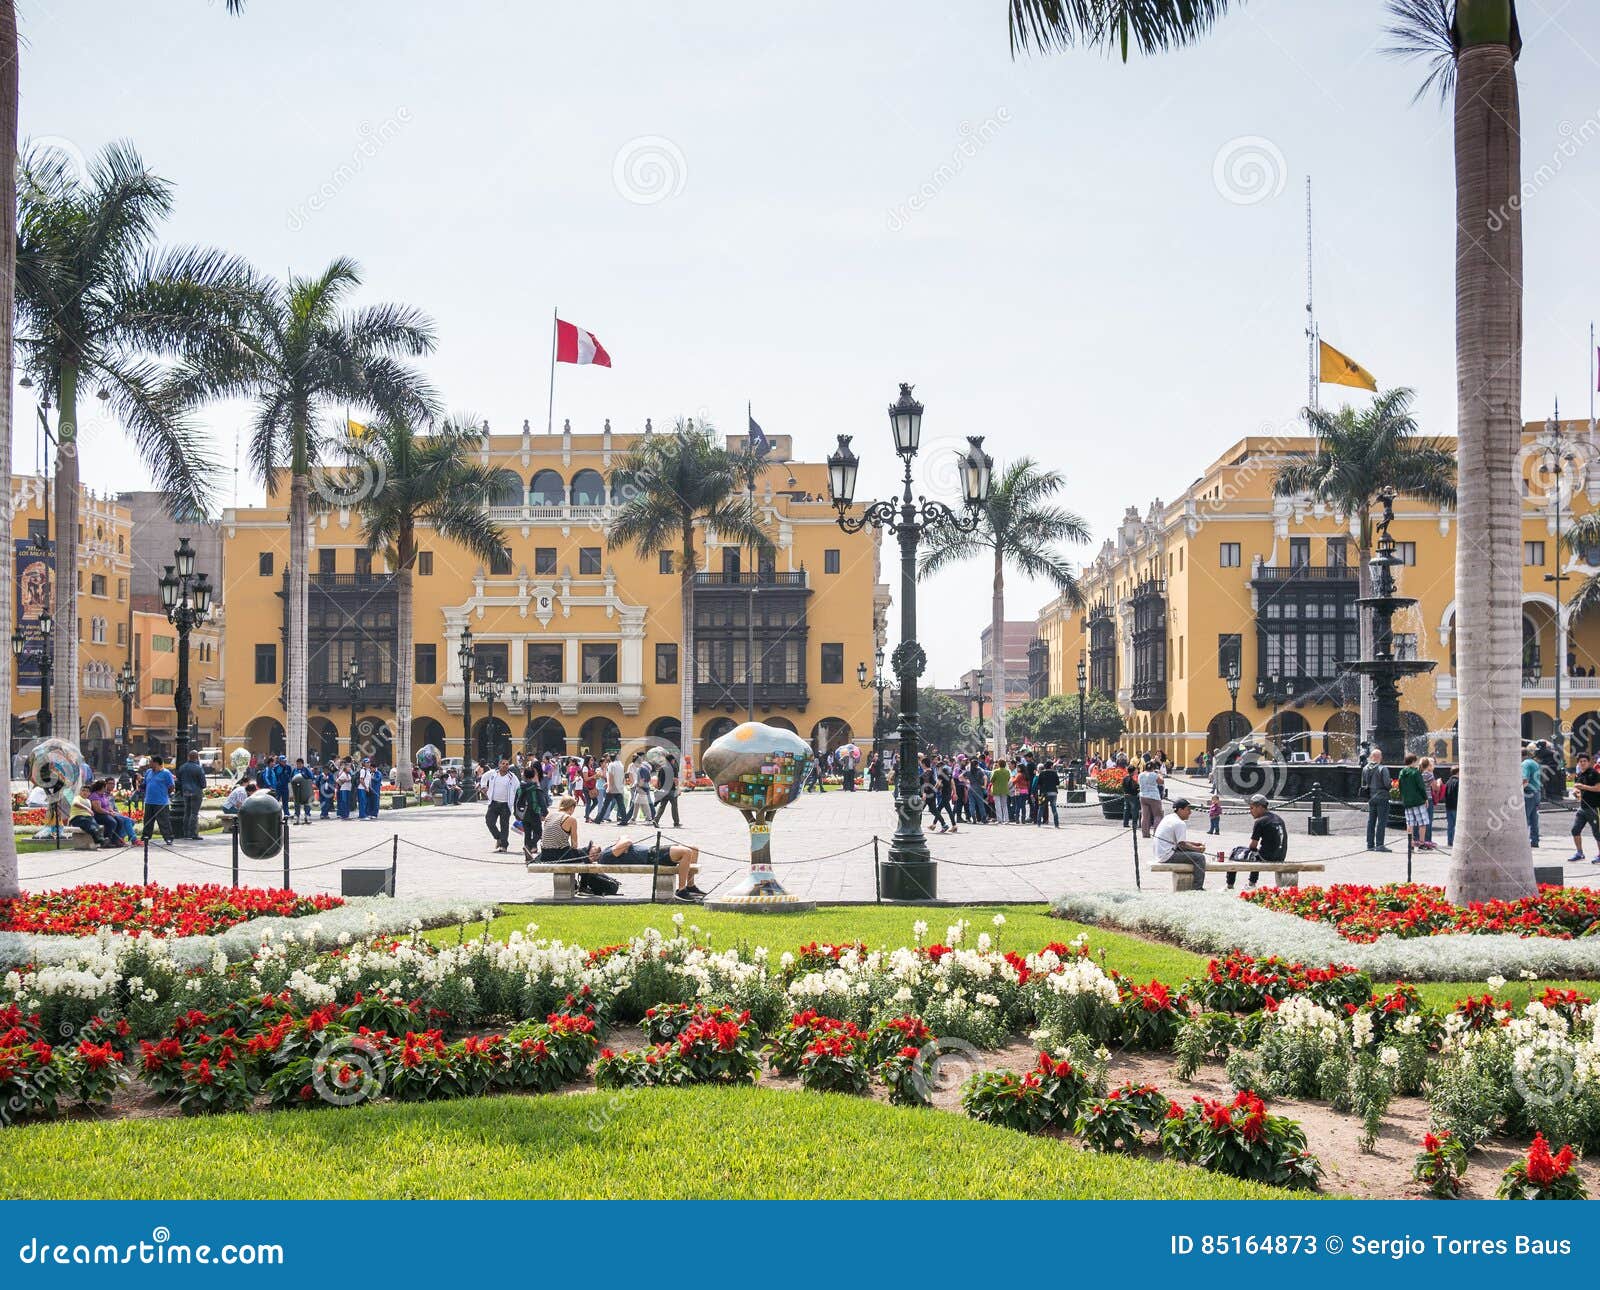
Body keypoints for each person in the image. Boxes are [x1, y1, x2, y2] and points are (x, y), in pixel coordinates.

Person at [584, 837, 705, 903]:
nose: (594, 846)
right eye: (591, 848)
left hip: (652, 852)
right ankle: (681, 890)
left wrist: (622, 844)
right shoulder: (605, 855)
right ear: (591, 856)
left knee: (694, 849)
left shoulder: (607, 851)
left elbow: (624, 837)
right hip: (651, 856)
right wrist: (623, 844)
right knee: (687, 852)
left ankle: (690, 886)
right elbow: (627, 841)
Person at [1227, 794, 1288, 890]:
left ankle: (1231, 885)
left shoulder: (1260, 821)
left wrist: (1252, 850)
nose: (1250, 811)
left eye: (1252, 808)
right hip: (1281, 856)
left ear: (1259, 807)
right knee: (1256, 854)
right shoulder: (1279, 819)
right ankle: (1251, 883)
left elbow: (1253, 845)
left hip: (1267, 857)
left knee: (1236, 852)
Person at [1153, 798, 1208, 889]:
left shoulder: (1169, 817)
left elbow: (1178, 842)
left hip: (1161, 853)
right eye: (1188, 809)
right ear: (1180, 810)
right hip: (1167, 855)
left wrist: (1195, 844)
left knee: (1195, 854)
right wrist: (1198, 849)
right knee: (1200, 858)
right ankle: (1197, 888)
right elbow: (1181, 845)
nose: (1190, 812)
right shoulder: (1179, 823)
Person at [1567, 752, 1600, 862]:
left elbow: (1598, 788)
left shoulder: (1594, 773)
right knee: (1575, 830)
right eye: (1580, 761)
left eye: (1584, 761)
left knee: (1597, 833)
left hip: (1594, 807)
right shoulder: (1579, 775)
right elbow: (1577, 789)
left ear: (1589, 762)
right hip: (1583, 808)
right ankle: (1579, 853)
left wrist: (1582, 786)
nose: (1582, 763)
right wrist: (1576, 792)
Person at [482, 757, 519, 852]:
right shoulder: (493, 773)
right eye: (503, 763)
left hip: (505, 805)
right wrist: (484, 787)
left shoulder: (512, 777)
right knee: (489, 822)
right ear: (499, 765)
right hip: (493, 803)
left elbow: (518, 787)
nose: (505, 766)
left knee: (504, 825)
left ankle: (504, 845)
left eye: (507, 764)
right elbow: (484, 777)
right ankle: (498, 837)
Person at [1361, 748, 1392, 853]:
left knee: (1371, 821)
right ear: (1379, 757)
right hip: (1382, 797)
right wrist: (1391, 783)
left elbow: (1364, 783)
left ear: (1371, 757)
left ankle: (1370, 844)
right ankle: (1379, 844)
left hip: (1371, 797)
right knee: (1381, 822)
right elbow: (1387, 784)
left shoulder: (1365, 768)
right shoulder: (1383, 769)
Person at [141, 754, 176, 846]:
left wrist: (165, 794)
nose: (149, 764)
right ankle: (146, 837)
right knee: (147, 821)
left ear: (156, 763)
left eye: (151, 762)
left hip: (161, 802)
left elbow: (171, 786)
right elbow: (145, 784)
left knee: (164, 821)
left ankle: (168, 838)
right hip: (149, 801)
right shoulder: (148, 772)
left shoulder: (166, 773)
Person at [1398, 754, 1431, 851]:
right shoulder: (1415, 772)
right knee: (1422, 823)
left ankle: (1411, 843)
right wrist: (1425, 799)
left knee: (1410, 823)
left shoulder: (1401, 772)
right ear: (1412, 761)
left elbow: (1400, 787)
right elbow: (1421, 787)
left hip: (1407, 802)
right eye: (1415, 761)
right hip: (1418, 801)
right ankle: (1421, 843)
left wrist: (1403, 798)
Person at [515, 765, 548, 861]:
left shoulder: (520, 788)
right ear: (534, 775)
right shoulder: (536, 788)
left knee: (527, 833)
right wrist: (545, 813)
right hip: (534, 812)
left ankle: (527, 851)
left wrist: (516, 814)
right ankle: (531, 845)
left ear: (524, 776)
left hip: (523, 814)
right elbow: (542, 802)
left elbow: (515, 801)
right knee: (539, 832)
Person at [175, 751, 208, 840]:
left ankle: (185, 832)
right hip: (196, 792)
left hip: (186, 792)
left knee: (187, 812)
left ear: (188, 757)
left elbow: (178, 780)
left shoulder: (182, 767)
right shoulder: (198, 768)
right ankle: (193, 833)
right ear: (197, 757)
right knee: (194, 813)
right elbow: (203, 784)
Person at [1520, 744, 1543, 848]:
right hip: (1537, 792)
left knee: (1525, 818)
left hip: (1528, 793)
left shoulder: (1524, 764)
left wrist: (1518, 791)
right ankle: (1534, 840)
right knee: (1534, 818)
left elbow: (1524, 780)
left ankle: (1523, 841)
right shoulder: (1534, 763)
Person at [1137, 760, 1164, 839]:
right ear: (1153, 767)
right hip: (1154, 796)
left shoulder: (1140, 775)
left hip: (1143, 796)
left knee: (1145, 816)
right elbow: (1161, 782)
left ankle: (1145, 833)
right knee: (1157, 815)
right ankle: (1157, 834)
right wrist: (1160, 774)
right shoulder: (1154, 774)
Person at [1034, 759, 1060, 827]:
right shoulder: (1054, 773)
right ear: (1051, 766)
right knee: (1054, 808)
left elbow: (1039, 783)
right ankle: (1056, 824)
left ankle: (1039, 823)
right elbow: (1058, 783)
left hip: (1044, 793)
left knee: (1041, 808)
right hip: (1053, 792)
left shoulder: (1042, 773)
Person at [288, 757, 314, 826]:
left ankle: (307, 817)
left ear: (302, 764)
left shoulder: (306, 770)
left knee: (306, 804)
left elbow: (311, 777)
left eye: (300, 764)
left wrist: (304, 777)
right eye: (297, 764)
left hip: (305, 790)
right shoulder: (294, 770)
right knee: (297, 804)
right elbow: (291, 778)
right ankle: (297, 818)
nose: (298, 765)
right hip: (297, 790)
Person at [1444, 768, 1460, 847]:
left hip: (1448, 806)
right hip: (1455, 806)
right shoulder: (1458, 782)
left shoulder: (1448, 782)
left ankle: (1450, 841)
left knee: (1450, 825)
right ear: (1458, 772)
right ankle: (1455, 841)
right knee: (1457, 825)